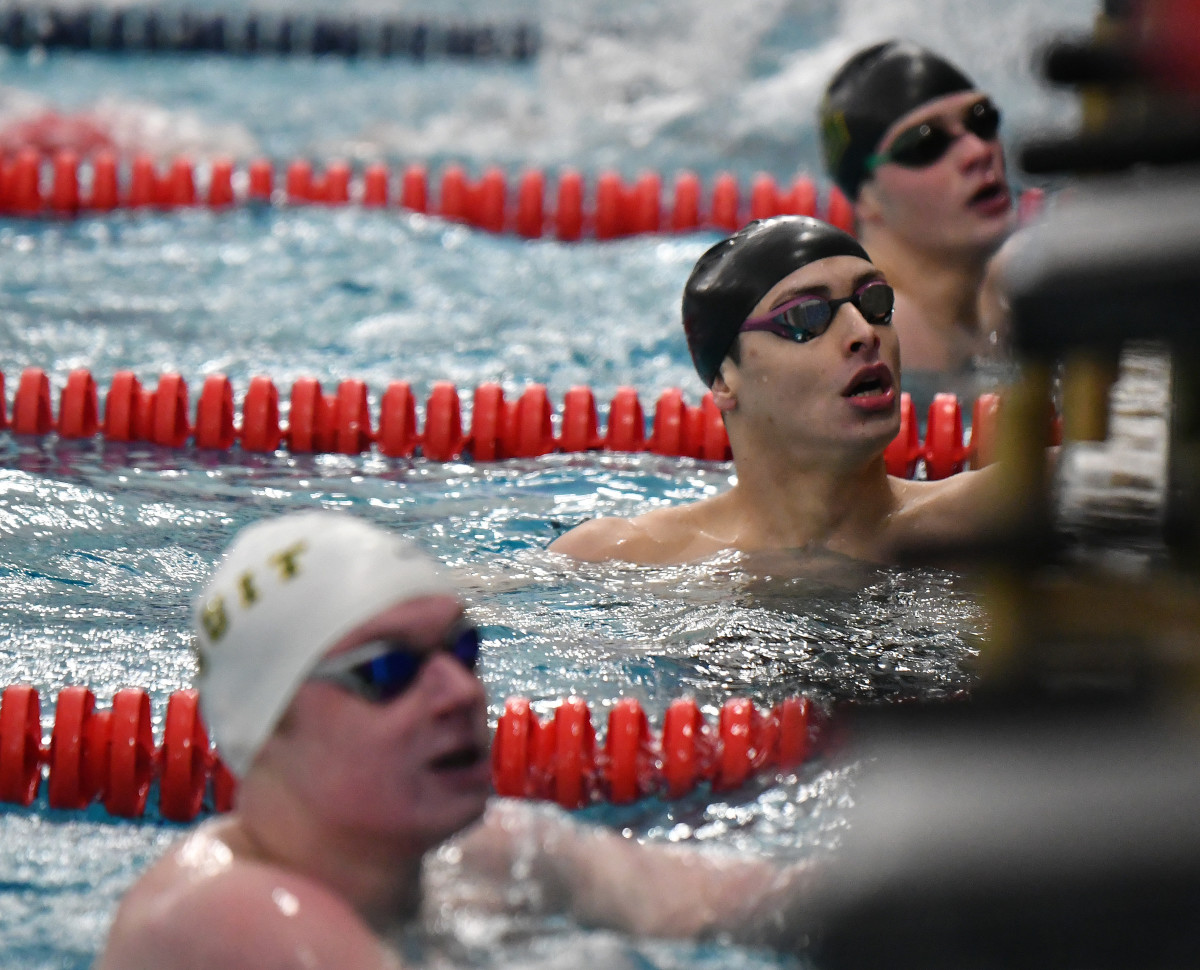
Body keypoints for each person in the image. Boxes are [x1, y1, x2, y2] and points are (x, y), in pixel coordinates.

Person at [97, 511, 813, 970]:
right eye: (389, 670)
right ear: (269, 721)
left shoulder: (484, 859)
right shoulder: (228, 920)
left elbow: (772, 903)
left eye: (461, 650)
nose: (460, 692)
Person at [548, 215, 1006, 566]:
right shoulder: (624, 558)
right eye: (805, 317)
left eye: (874, 302)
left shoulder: (998, 515)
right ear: (725, 379)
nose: (863, 332)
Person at [818, 40, 1017, 374]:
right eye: (926, 144)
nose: (978, 151)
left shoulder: (1002, 295)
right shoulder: (885, 331)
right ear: (868, 198)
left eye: (981, 120)